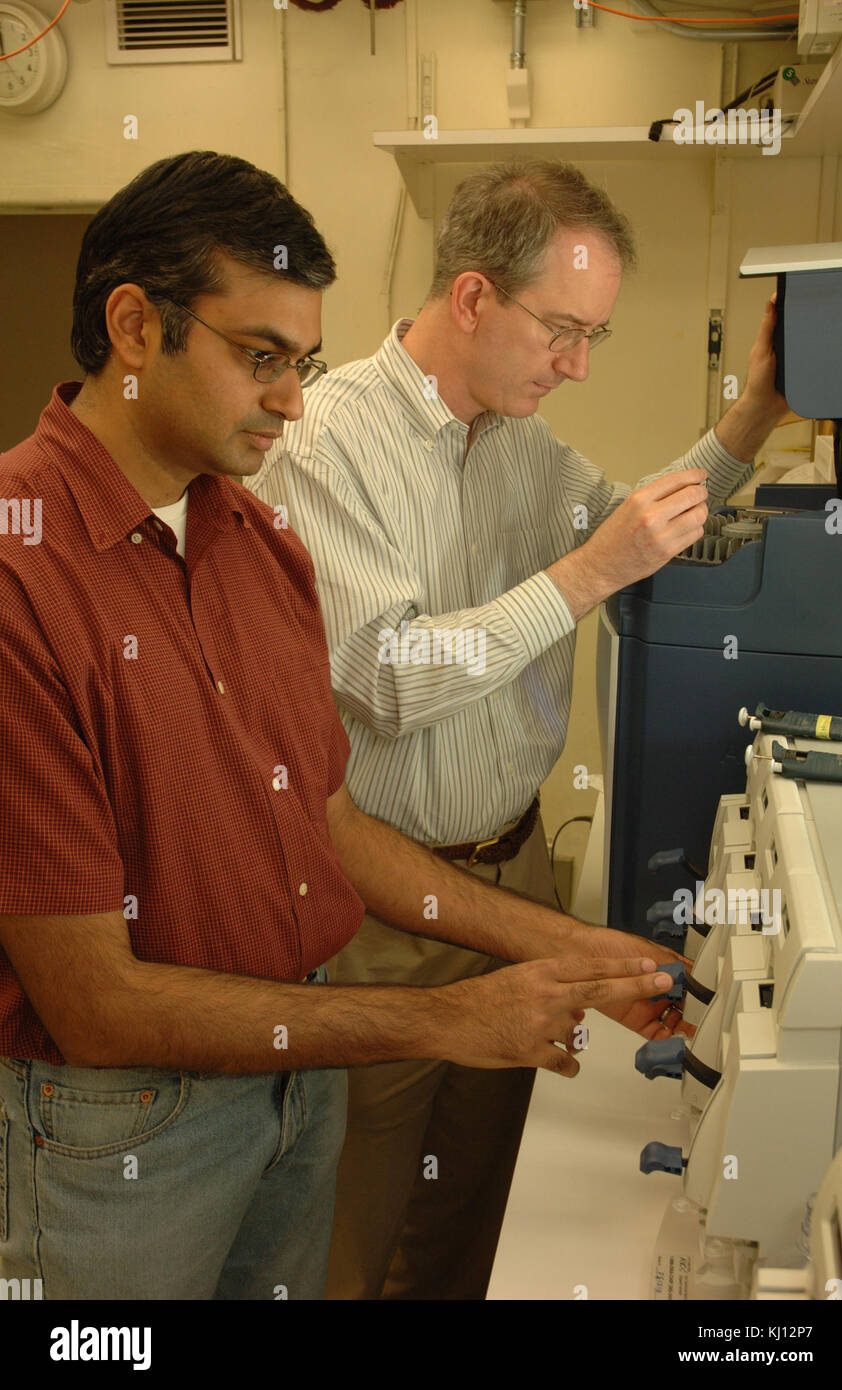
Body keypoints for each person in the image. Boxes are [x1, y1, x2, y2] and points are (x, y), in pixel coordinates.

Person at [0, 151, 686, 1303]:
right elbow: (97, 1001)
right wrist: (439, 1015)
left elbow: (331, 825)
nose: (291, 398)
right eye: (259, 358)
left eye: (301, 362)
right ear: (133, 328)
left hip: (294, 1081)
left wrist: (557, 949)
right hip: (122, 1128)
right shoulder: (23, 573)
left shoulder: (252, 541)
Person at [245, 161, 789, 1300]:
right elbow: (387, 677)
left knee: (470, 1201)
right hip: (382, 904)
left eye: (593, 335)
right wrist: (586, 571)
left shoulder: (521, 445)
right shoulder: (330, 439)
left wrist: (750, 417)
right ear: (475, 297)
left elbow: (643, 533)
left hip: (513, 871)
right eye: (561, 331)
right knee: (363, 1214)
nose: (577, 364)